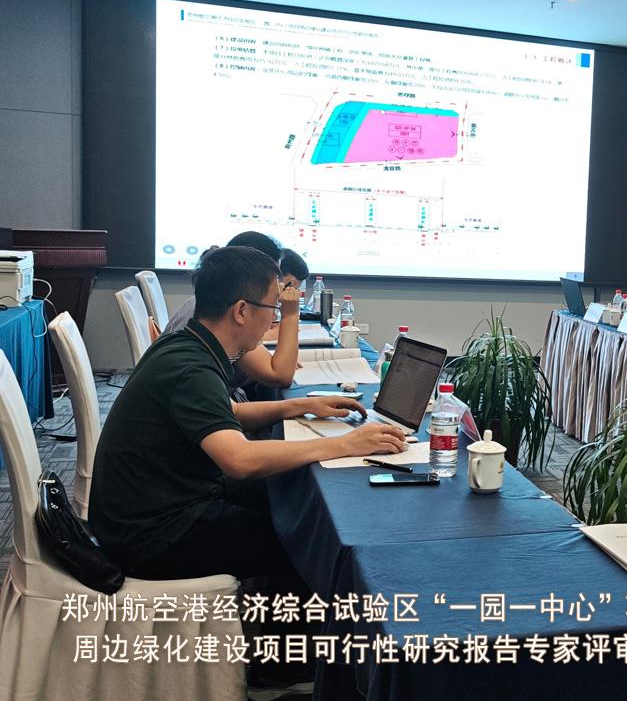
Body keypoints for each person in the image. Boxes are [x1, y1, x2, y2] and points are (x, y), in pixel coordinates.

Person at [89, 246, 405, 580]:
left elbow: (229, 412)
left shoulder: (189, 344)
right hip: (154, 536)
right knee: (305, 541)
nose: (274, 320)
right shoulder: (191, 369)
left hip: (162, 502)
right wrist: (346, 444)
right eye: (273, 308)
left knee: (291, 492)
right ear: (241, 311)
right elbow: (240, 460)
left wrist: (300, 405)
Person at [163, 232, 301, 388]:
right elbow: (279, 375)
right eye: (274, 277)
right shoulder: (218, 318)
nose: (279, 285)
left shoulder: (212, 301)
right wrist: (290, 315)